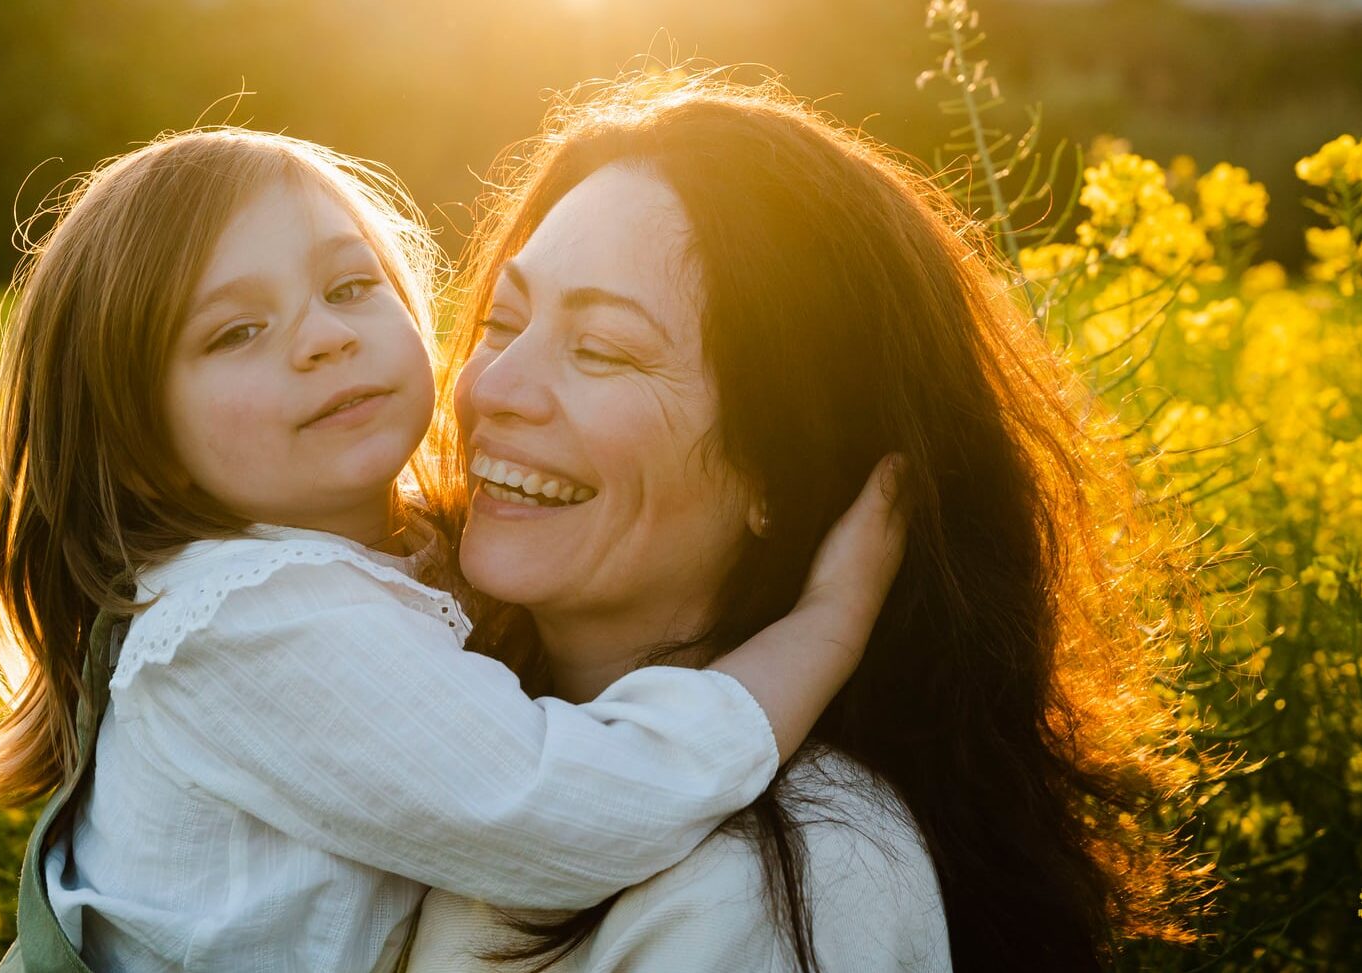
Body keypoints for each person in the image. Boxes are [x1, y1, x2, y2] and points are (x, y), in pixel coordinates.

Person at [0, 126, 910, 972]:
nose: (323, 335)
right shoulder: (252, 617)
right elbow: (569, 808)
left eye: (350, 285)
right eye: (237, 331)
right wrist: (823, 630)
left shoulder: (798, 886)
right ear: (141, 452)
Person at [406, 70, 1203, 972]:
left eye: (603, 350)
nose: (493, 389)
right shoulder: (409, 696)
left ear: (781, 471)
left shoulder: (793, 882)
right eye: (504, 324)